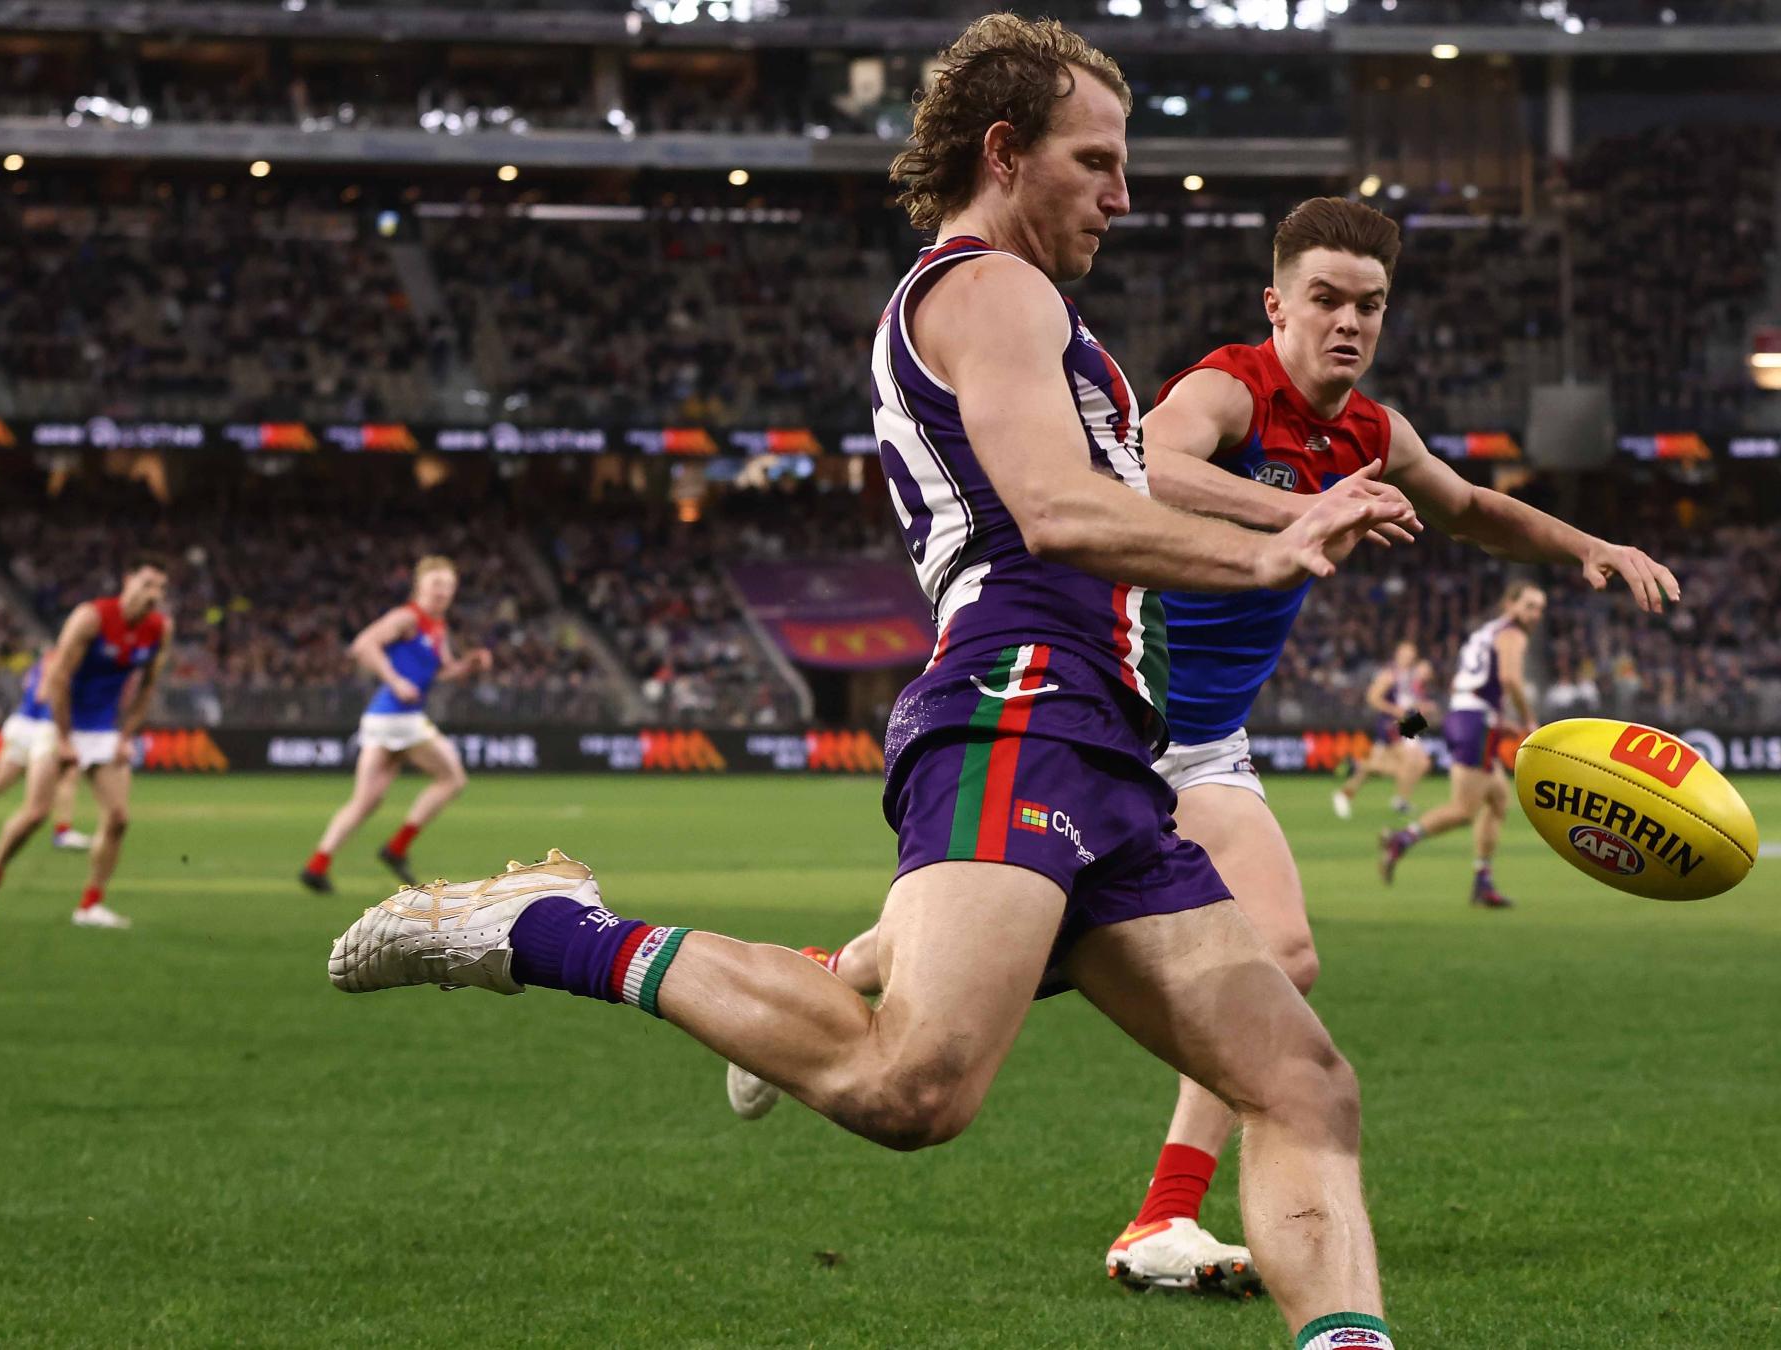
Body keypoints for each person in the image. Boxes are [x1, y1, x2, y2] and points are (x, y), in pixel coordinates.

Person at [326, 19, 1414, 1350]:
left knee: (1301, 1079)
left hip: (1102, 742)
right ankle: (550, 926)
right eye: (1098, 162)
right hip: (1026, 697)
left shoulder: (1011, 303)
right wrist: (1272, 543)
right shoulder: (992, 288)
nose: (1123, 198)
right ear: (1004, 154)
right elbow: (1057, 512)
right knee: (915, 1082)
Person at [728, 196, 1678, 1297]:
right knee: (1046, 965)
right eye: (1324, 298)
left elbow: (1464, 506)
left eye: (1369, 305)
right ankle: (831, 978)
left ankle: (1156, 1214)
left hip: (1206, 744)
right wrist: (1297, 515)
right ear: (1277, 305)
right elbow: (1147, 466)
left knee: (1280, 956)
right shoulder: (1231, 390)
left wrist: (1589, 546)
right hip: (1108, 712)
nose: (1348, 324)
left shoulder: (1372, 432)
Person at [0, 555, 172, 930]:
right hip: (59, 722)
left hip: (103, 730)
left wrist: (125, 737)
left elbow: (148, 686)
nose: (153, 594)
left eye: (160, 588)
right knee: (35, 814)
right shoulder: (91, 618)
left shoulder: (159, 629)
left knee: (119, 818)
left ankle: (90, 905)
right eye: (147, 584)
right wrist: (63, 739)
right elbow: (58, 678)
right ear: (127, 582)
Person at [299, 556, 491, 894]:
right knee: (452, 778)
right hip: (397, 718)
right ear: (420, 586)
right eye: (436, 584)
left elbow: (442, 672)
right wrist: (395, 679)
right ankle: (397, 848)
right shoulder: (407, 618)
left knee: (366, 801)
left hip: (383, 720)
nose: (443, 592)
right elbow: (363, 645)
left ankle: (317, 865)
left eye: (448, 586)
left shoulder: (437, 626)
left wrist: (469, 665)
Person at [1380, 583, 1551, 908]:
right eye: (1529, 605)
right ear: (1510, 603)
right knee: (1463, 810)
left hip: (1468, 717)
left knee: (1499, 800)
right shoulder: (1512, 634)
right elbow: (1510, 679)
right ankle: (1401, 840)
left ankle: (1482, 881)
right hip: (1477, 723)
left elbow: (1470, 684)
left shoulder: (1486, 631)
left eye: (1539, 608)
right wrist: (1529, 721)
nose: (1535, 614)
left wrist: (1502, 721)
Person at [0, 656, 95, 857]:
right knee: (65, 777)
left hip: (23, 723)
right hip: (43, 727)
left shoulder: (48, 658)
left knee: (0, 781)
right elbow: (43, 694)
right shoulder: (62, 660)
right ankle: (62, 832)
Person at [1333, 641, 1435, 821]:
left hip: (1408, 722)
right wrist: (1395, 710)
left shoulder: (1410, 676)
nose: (1408, 658)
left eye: (1411, 655)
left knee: (1422, 763)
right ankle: (1397, 799)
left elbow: (1409, 700)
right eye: (1405, 655)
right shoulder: (1389, 675)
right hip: (1393, 724)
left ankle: (1351, 791)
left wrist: (1422, 706)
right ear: (1397, 655)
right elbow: (1373, 698)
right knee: (1408, 763)